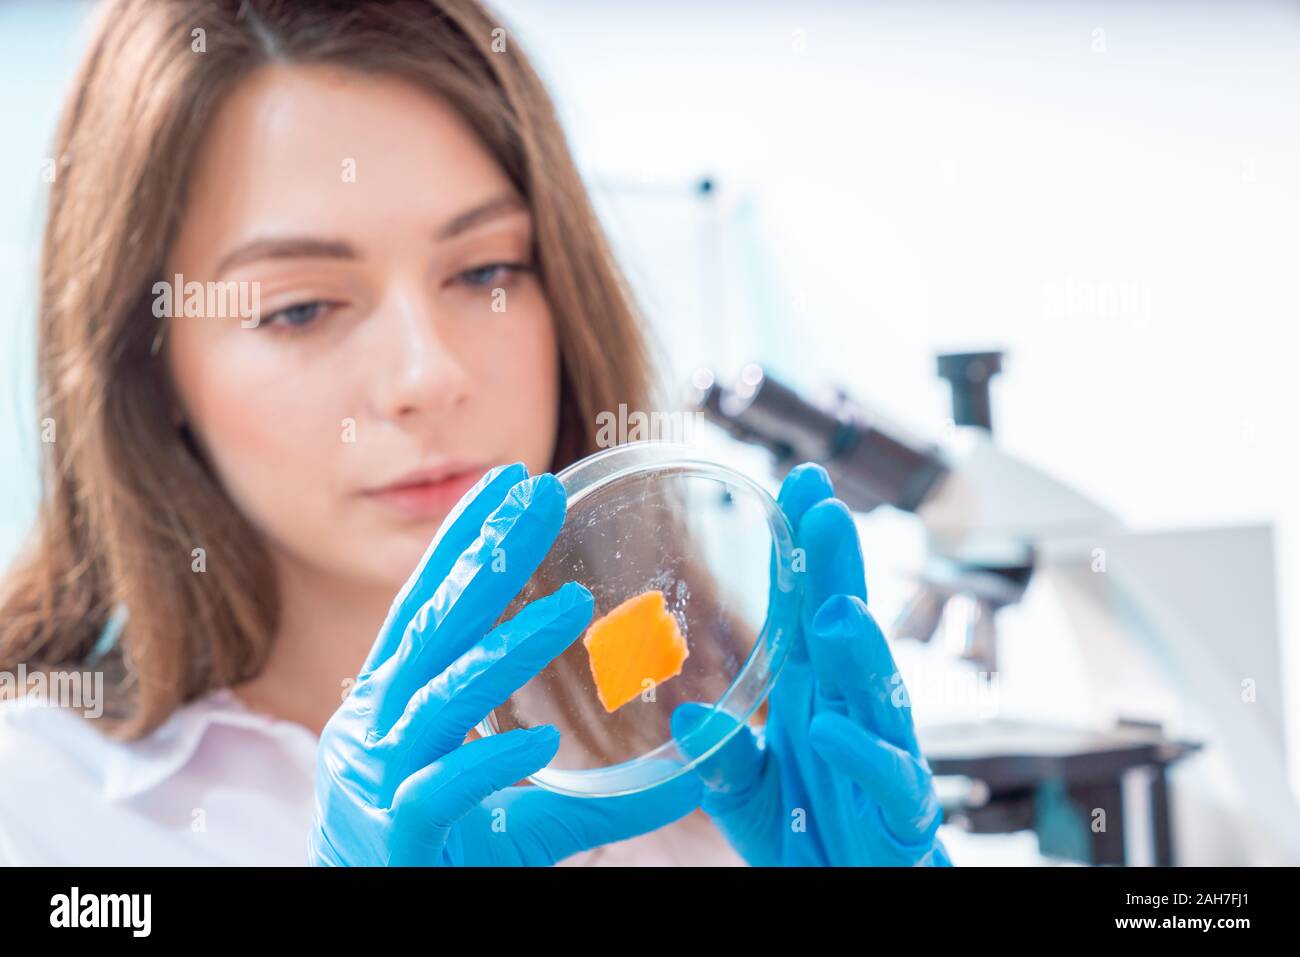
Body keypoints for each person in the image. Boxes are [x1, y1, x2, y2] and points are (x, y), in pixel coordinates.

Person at [0, 0, 950, 867]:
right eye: (298, 308)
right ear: (149, 360)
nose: (429, 375)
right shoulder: (38, 808)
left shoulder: (711, 738)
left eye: (487, 270)